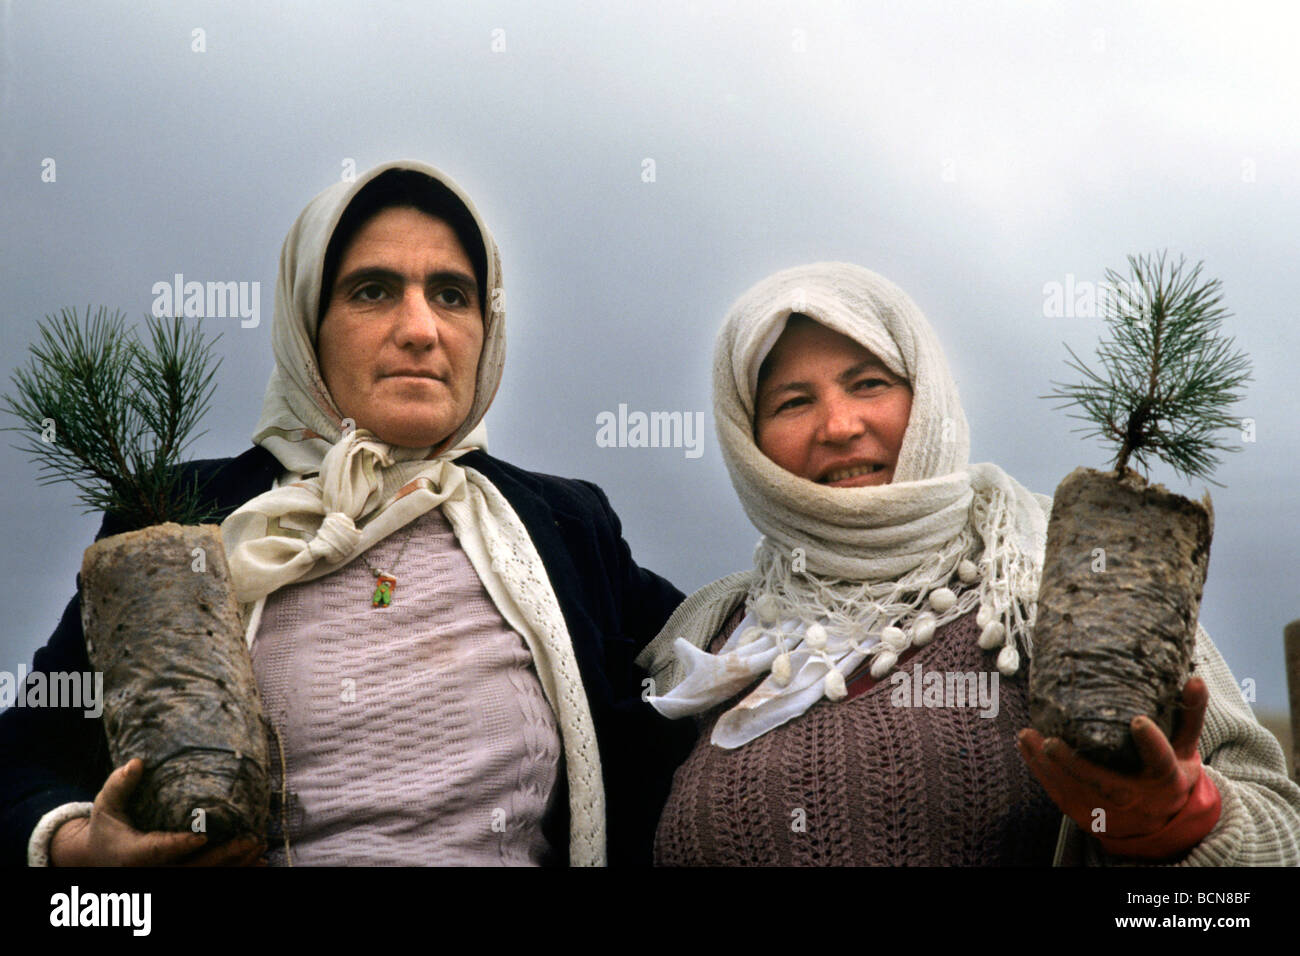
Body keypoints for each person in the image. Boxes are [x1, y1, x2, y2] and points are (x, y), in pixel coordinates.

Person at [0, 159, 694, 867]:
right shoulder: (176, 520)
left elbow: (725, 654)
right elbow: (20, 763)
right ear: (308, 322)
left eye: (452, 295)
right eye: (373, 291)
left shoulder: (566, 526)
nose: (421, 329)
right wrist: (83, 848)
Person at [639, 262, 1300, 866]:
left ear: (926, 397)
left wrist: (1179, 824)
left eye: (868, 384)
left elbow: (1278, 835)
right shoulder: (705, 640)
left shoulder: (1051, 571)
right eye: (793, 401)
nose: (838, 425)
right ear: (745, 438)